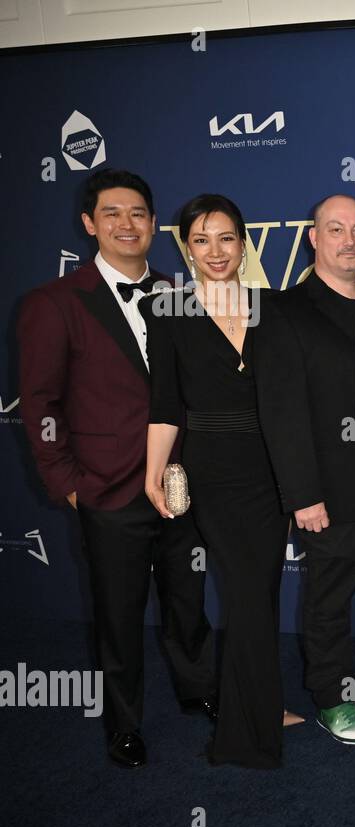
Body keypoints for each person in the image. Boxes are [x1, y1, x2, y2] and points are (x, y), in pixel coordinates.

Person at [17, 169, 216, 769]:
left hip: (181, 485)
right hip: (108, 491)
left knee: (188, 600)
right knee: (118, 615)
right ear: (89, 224)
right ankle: (124, 724)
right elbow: (40, 406)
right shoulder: (53, 304)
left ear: (155, 224)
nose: (127, 225)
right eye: (112, 214)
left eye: (138, 214)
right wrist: (70, 486)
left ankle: (198, 689)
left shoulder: (179, 295)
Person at [142, 193, 287, 769]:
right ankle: (245, 734)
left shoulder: (271, 308)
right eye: (201, 240)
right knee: (247, 594)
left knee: (263, 593)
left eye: (226, 238)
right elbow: (164, 404)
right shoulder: (169, 310)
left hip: (274, 467)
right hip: (215, 471)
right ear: (186, 248)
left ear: (244, 242)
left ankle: (261, 705)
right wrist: (155, 471)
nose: (215, 251)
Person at [255, 195, 355, 745]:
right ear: (314, 238)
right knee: (330, 599)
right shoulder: (284, 311)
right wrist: (303, 494)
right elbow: (281, 412)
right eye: (335, 230)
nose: (348, 241)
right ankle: (333, 696)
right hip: (327, 490)